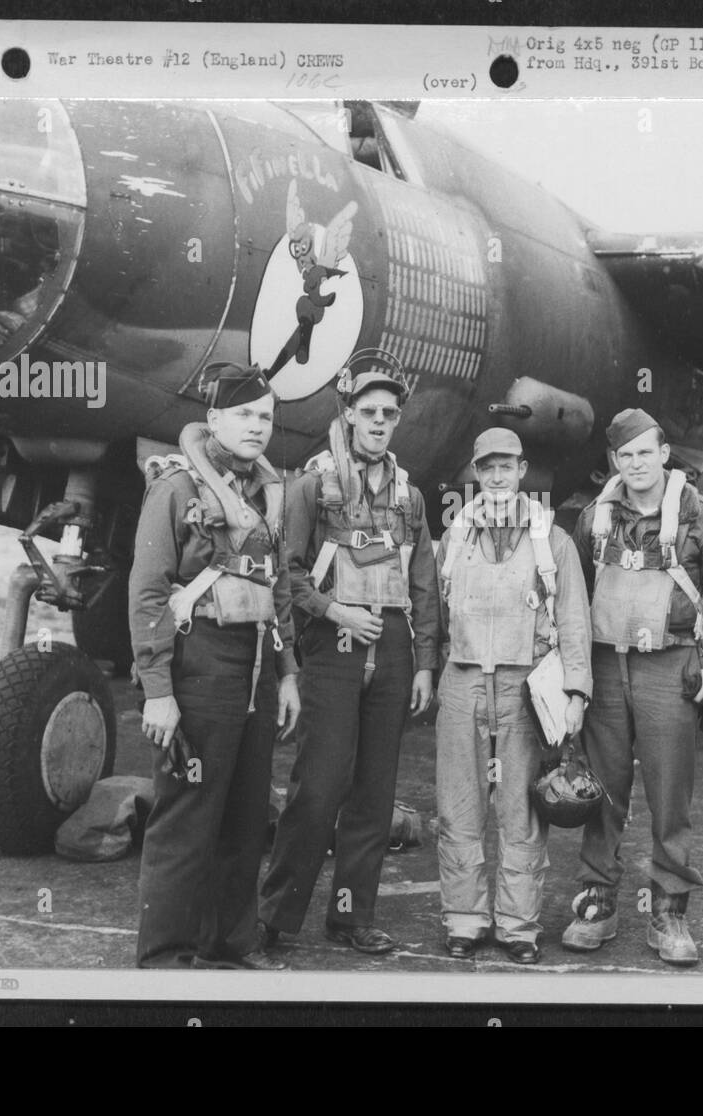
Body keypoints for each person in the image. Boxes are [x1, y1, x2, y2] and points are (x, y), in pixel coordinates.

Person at [257, 356, 440, 956]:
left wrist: (423, 664)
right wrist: (335, 613)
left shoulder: (409, 496)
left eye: (389, 413)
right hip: (334, 641)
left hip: (390, 645)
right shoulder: (314, 487)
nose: (380, 422)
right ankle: (277, 915)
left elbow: (423, 584)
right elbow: (287, 574)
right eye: (369, 412)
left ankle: (350, 918)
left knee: (374, 792)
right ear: (349, 414)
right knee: (319, 785)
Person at [130, 361, 301, 970]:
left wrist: (288, 675)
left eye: (266, 417)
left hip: (255, 665)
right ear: (214, 419)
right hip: (197, 664)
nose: (257, 427)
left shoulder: (266, 492)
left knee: (246, 816)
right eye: (245, 415)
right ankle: (166, 958)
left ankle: (229, 945)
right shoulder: (176, 488)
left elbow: (275, 587)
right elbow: (148, 592)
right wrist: (158, 690)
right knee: (186, 816)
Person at [562, 408, 703, 966]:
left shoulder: (701, 517)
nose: (636, 463)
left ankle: (669, 908)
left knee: (670, 794)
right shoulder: (594, 518)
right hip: (607, 666)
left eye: (646, 452)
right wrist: (572, 679)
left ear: (664, 453)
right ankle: (597, 897)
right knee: (603, 789)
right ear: (614, 461)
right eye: (625, 455)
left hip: (670, 665)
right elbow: (573, 598)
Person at [434, 429, 592, 965]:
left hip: (526, 687)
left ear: (523, 470)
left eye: (506, 467)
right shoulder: (456, 534)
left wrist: (576, 693)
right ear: (476, 474)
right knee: (460, 805)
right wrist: (429, 674)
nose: (497, 477)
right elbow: (435, 613)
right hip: (463, 681)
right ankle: (465, 918)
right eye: (487, 468)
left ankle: (519, 926)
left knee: (521, 809)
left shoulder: (554, 540)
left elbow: (573, 620)